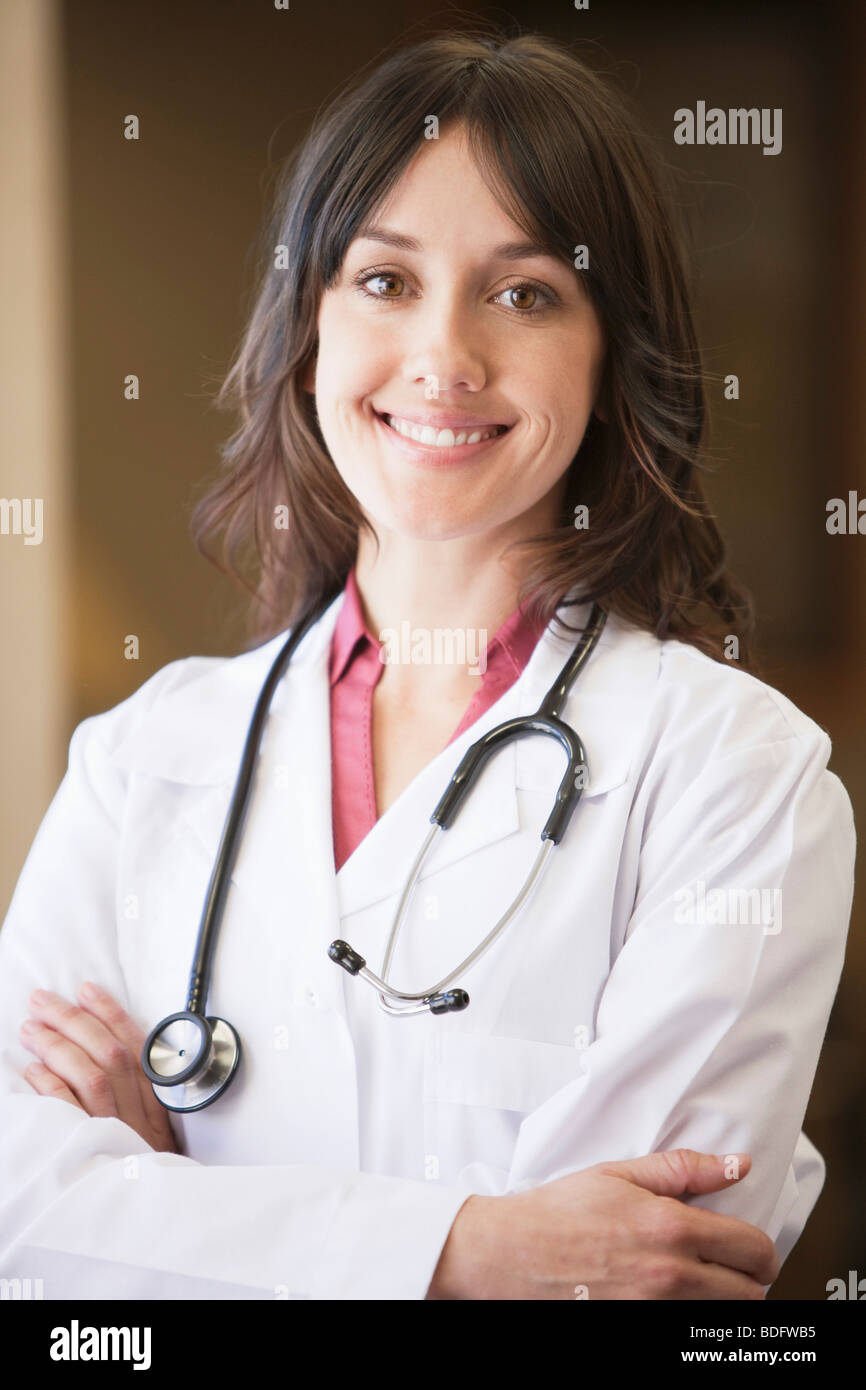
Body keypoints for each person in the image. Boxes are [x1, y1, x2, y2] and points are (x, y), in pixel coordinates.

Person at [0, 30, 854, 1301]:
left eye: (523, 292)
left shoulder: (738, 778)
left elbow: (630, 1285)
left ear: (612, 353)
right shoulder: (142, 762)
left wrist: (171, 1202)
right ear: (308, 327)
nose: (444, 357)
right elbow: (23, 1235)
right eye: (384, 281)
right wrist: (472, 1250)